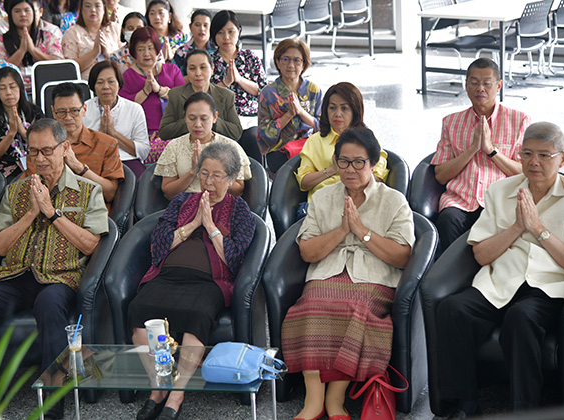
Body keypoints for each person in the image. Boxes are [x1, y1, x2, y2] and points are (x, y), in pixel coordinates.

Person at [435, 122, 564, 416]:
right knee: (452, 309)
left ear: (563, 159)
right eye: (527, 153)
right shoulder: (500, 191)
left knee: (521, 318)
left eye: (544, 155)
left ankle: (523, 410)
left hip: (549, 287)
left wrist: (538, 229)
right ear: (519, 154)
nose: (533, 162)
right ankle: (463, 404)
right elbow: (482, 254)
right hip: (500, 280)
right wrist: (517, 227)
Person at [0, 118, 108, 420]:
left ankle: (53, 408)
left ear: (64, 148)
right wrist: (30, 213)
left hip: (59, 277)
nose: (39, 159)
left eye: (47, 151)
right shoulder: (16, 191)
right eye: (32, 152)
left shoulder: (87, 190)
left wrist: (52, 214)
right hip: (15, 275)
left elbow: (91, 245)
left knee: (49, 304)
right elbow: (0, 247)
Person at [281, 127, 415, 420]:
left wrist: (362, 232)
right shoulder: (323, 198)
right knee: (311, 306)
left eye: (358, 162)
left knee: (355, 309)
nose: (350, 169)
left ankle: (336, 399)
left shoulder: (393, 201)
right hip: (327, 271)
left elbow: (402, 255)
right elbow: (307, 251)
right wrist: (342, 230)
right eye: (343, 161)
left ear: (372, 163)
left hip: (374, 277)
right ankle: (313, 400)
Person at [129, 142, 256, 420]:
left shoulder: (240, 211)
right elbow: (159, 245)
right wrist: (192, 224)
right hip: (168, 275)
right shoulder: (180, 202)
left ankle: (177, 393)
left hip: (209, 282)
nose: (209, 182)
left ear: (232, 179)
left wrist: (210, 227)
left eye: (217, 175)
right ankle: (159, 387)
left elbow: (235, 259)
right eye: (204, 173)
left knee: (197, 314)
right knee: (139, 311)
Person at [431, 58, 530, 256]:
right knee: (447, 221)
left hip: (499, 201)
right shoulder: (451, 122)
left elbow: (525, 172)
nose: (480, 88)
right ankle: (449, 281)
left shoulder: (519, 120)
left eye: (487, 83)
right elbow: (441, 175)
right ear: (466, 86)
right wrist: (471, 150)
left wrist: (490, 150)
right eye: (474, 83)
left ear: (499, 86)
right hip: (459, 200)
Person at [296, 83, 388, 201]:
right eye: (332, 108)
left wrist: (352, 173)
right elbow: (303, 183)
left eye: (344, 108)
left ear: (355, 111)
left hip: (360, 203)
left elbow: (379, 180)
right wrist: (332, 170)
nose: (337, 114)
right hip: (321, 205)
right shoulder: (315, 141)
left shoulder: (367, 140)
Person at [156, 91, 251, 201]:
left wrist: (212, 173)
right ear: (184, 117)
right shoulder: (174, 146)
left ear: (215, 117)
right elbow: (168, 192)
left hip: (220, 207)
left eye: (204, 119)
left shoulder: (230, 147)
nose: (197, 124)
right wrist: (193, 172)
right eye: (192, 118)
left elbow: (238, 190)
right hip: (184, 207)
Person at [50, 82, 124, 206]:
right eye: (61, 112)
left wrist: (79, 168)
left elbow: (110, 193)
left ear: (84, 109)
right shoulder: (43, 145)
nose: (68, 118)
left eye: (74, 111)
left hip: (91, 212)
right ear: (53, 112)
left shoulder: (107, 144)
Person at [118, 26, 184, 163]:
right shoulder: (127, 77)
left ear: (157, 49)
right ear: (134, 53)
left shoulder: (172, 70)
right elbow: (123, 107)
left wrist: (159, 89)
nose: (147, 53)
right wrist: (145, 92)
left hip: (174, 131)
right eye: (141, 49)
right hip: (144, 137)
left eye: (150, 48)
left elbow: (184, 99)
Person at [258, 38, 322, 174]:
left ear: (304, 64)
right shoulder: (268, 93)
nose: (291, 65)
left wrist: (301, 112)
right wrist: (288, 115)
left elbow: (324, 128)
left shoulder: (313, 90)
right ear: (278, 62)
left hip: (310, 147)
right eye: (285, 59)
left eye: (296, 60)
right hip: (280, 150)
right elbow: (264, 135)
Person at [209, 10, 266, 160]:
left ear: (239, 31)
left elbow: (262, 91)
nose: (226, 37)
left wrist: (239, 79)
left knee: (252, 140)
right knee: (226, 146)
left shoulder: (250, 57)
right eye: (220, 32)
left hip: (249, 117)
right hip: (221, 119)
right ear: (214, 34)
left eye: (231, 31)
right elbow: (205, 94)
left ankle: (258, 181)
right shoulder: (209, 61)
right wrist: (226, 82)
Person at [84, 60, 149, 177]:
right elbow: (81, 148)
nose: (106, 87)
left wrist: (114, 134)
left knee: (141, 181)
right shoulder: (84, 109)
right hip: (94, 161)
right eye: (100, 82)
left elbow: (143, 151)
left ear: (119, 84)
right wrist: (101, 134)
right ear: (93, 86)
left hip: (127, 160)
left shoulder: (134, 108)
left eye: (111, 82)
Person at [159, 49, 241, 141]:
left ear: (212, 70)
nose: (198, 73)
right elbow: (164, 132)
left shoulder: (226, 95)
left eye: (203, 67)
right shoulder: (176, 94)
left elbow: (236, 132)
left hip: (218, 148)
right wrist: (190, 120)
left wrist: (211, 119)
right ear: (187, 72)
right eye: (192, 68)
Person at [0, 66, 43, 180]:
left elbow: (45, 145)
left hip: (37, 165)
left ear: (20, 89)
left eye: (12, 87)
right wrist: (11, 133)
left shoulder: (34, 112)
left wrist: (23, 132)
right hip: (5, 172)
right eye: (2, 88)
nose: (8, 93)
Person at [0, 0, 63, 72]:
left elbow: (60, 63)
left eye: (27, 10)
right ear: (10, 15)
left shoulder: (48, 37)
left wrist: (33, 50)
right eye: (17, 11)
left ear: (33, 13)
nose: (23, 14)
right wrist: (21, 51)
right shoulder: (0, 41)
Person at [61, 0, 121, 80]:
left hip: (114, 85)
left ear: (104, 9)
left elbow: (126, 63)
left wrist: (109, 55)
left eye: (97, 6)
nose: (92, 10)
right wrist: (94, 52)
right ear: (81, 10)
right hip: (85, 86)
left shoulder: (115, 29)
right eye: (87, 6)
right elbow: (69, 69)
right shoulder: (72, 33)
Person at [172, 9, 213, 76]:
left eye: (205, 25)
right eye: (197, 25)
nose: (202, 29)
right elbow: (175, 79)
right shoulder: (181, 52)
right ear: (190, 27)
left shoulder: (217, 50)